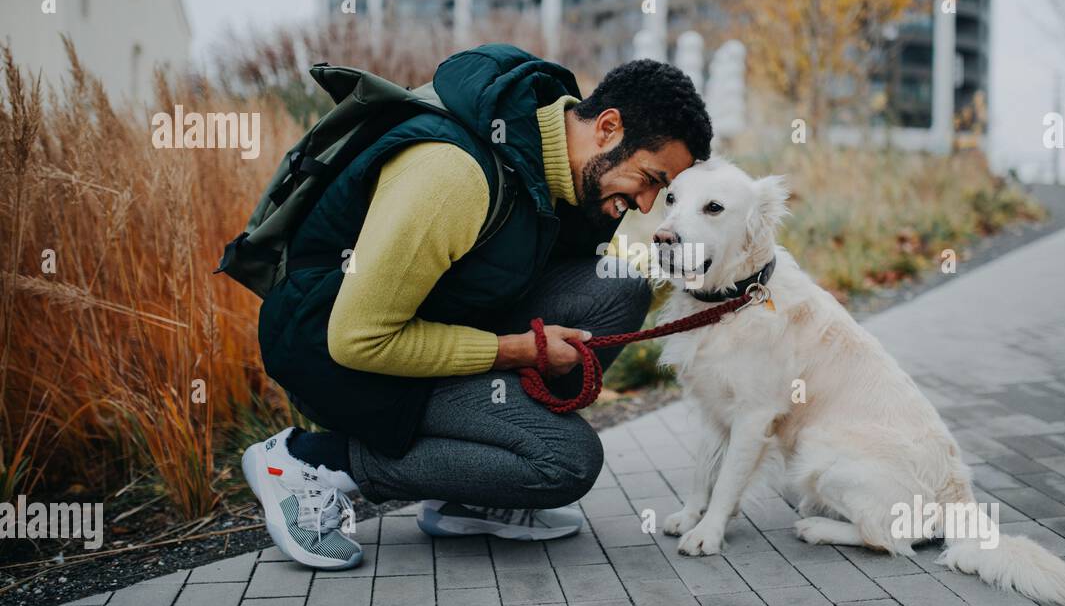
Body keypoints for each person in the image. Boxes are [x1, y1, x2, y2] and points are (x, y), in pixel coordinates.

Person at [241, 44, 712, 569]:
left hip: (435, 320)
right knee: (566, 462)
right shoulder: (453, 175)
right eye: (650, 179)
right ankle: (310, 463)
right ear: (607, 127)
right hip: (335, 353)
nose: (647, 204)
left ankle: (468, 494)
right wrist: (519, 351)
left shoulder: (563, 165)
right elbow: (359, 339)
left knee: (619, 285)